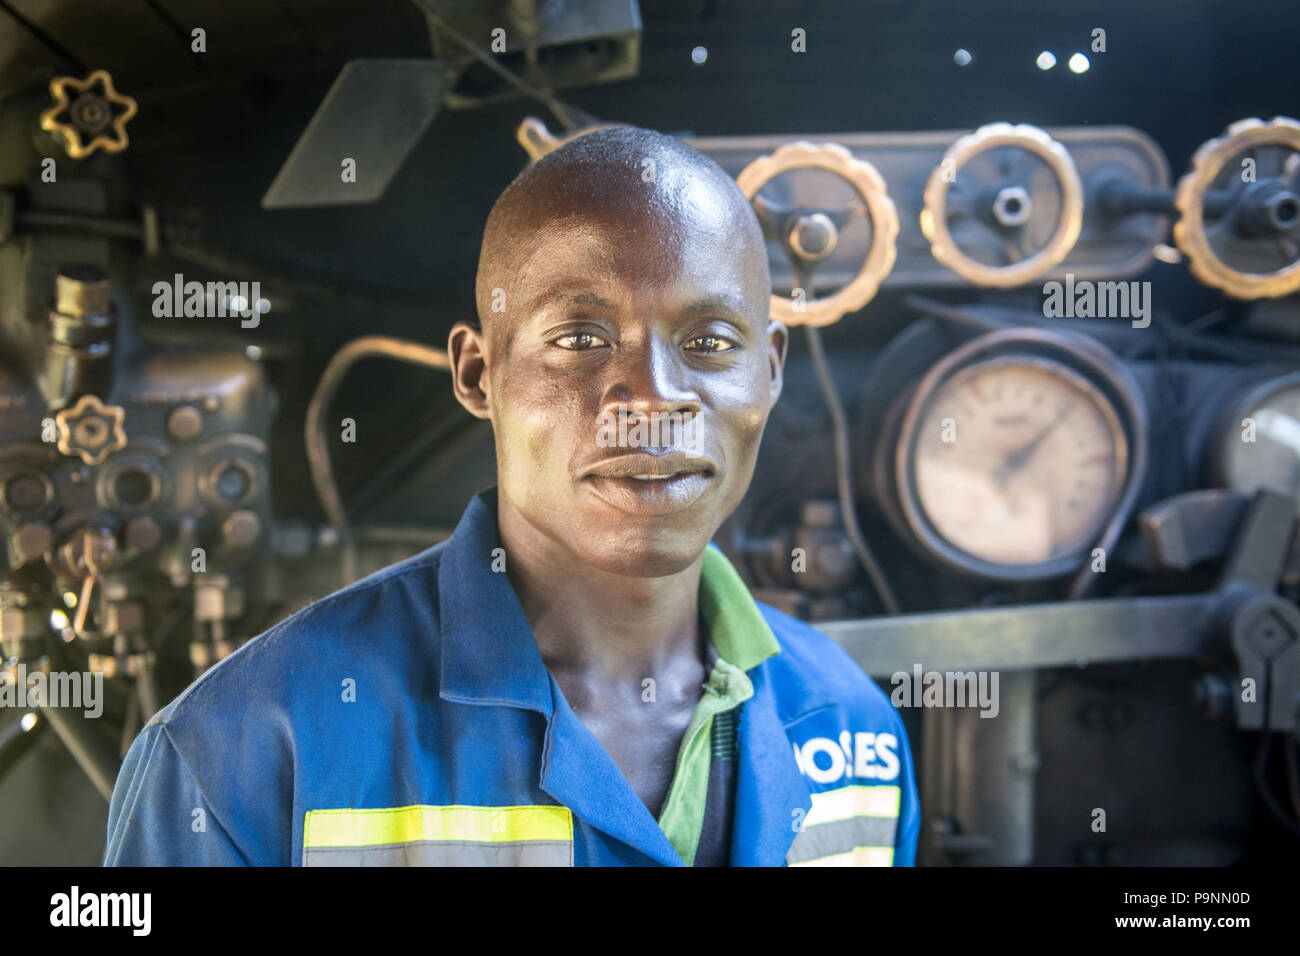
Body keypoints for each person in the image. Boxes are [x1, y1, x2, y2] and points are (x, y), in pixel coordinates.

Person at [104, 124, 920, 866]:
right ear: (477, 373)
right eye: (581, 339)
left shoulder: (852, 724)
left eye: (709, 343)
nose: (651, 398)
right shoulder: (241, 750)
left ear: (769, 370)